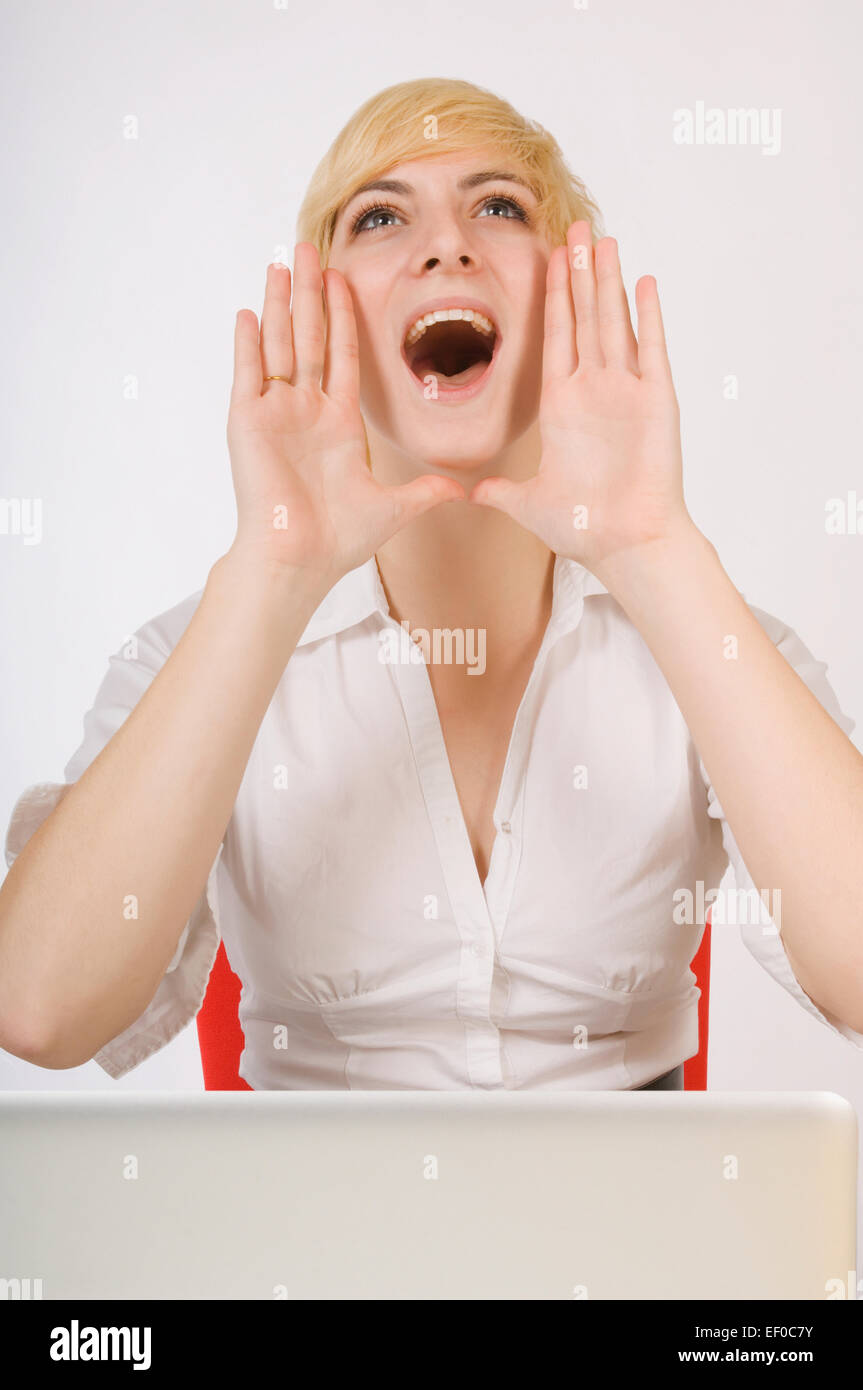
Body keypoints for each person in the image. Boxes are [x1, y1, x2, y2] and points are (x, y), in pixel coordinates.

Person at [1, 77, 861, 1092]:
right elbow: (39, 1005)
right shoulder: (198, 649)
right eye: (380, 215)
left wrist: (651, 544)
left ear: (565, 296)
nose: (447, 244)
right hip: (303, 1240)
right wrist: (272, 569)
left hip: (631, 1241)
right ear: (328, 313)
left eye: (498, 207)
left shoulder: (703, 631)